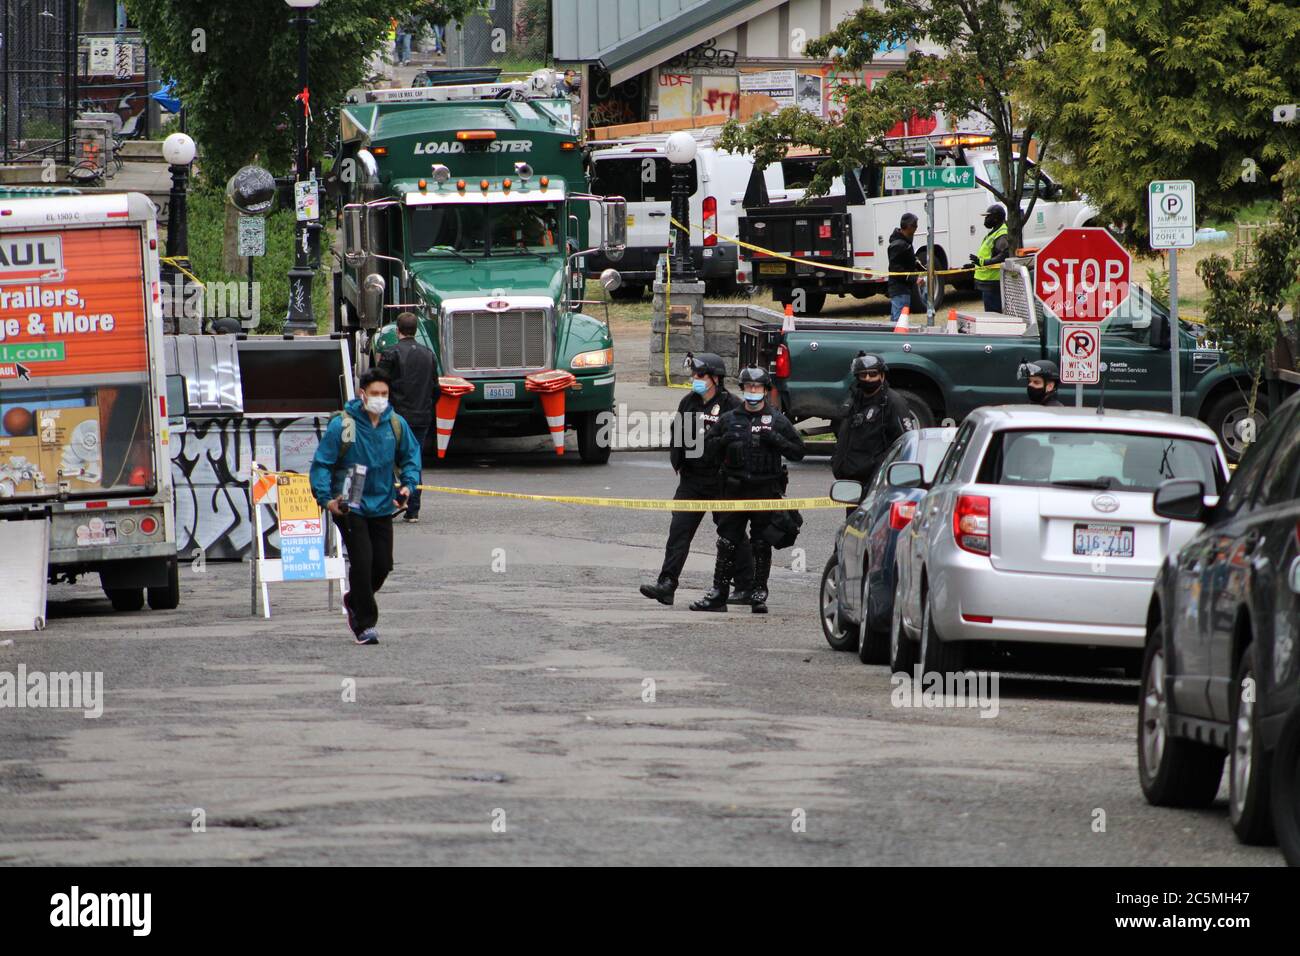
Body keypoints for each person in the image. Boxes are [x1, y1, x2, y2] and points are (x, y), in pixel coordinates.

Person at [310, 368, 422, 645]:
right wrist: (326, 499)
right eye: (375, 394)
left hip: (382, 504)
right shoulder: (343, 425)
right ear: (362, 394)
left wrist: (408, 483)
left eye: (384, 394)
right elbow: (322, 464)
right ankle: (365, 625)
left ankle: (354, 599)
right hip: (350, 505)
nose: (380, 399)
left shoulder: (396, 424)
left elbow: (411, 456)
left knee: (382, 565)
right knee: (362, 562)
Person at [639, 353, 754, 606]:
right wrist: (678, 461)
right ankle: (667, 584)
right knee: (678, 531)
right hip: (692, 481)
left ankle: (746, 586)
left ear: (715, 378)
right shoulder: (688, 402)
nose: (695, 379)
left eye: (700, 375)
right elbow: (677, 432)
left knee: (731, 533)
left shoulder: (732, 405)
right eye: (694, 375)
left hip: (721, 482)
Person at [693, 367, 806, 615]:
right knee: (726, 542)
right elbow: (707, 453)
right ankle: (718, 593)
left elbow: (798, 451)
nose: (752, 392)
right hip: (734, 490)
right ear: (742, 389)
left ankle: (758, 592)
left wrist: (775, 438)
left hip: (765, 489)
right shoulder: (729, 418)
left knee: (761, 543)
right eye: (748, 387)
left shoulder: (776, 419)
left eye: (757, 388)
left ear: (765, 390)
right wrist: (723, 441)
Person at [831, 353, 914, 515]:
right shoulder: (854, 400)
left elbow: (908, 443)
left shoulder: (893, 403)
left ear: (882, 376)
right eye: (863, 375)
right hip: (853, 483)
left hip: (877, 484)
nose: (868, 378)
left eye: (873, 374)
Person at [378, 312, 438, 523]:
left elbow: (378, 385)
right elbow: (435, 388)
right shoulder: (428, 354)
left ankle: (397, 498)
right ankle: (413, 509)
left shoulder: (390, 354)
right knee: (414, 460)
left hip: (395, 417)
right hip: (422, 416)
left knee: (387, 459)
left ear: (397, 331)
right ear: (416, 331)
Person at [970, 204, 1012, 313]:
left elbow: (1004, 255)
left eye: (988, 216)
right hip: (989, 283)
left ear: (996, 218)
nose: (986, 219)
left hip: (994, 283)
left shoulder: (1001, 233)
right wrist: (976, 264)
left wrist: (983, 262)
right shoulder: (995, 231)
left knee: (994, 316)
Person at [887, 213, 923, 323]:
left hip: (903, 288)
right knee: (899, 321)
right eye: (915, 226)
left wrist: (919, 265)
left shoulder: (905, 242)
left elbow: (907, 261)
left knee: (897, 320)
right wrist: (914, 279)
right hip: (899, 289)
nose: (916, 229)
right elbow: (896, 269)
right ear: (908, 226)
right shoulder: (899, 245)